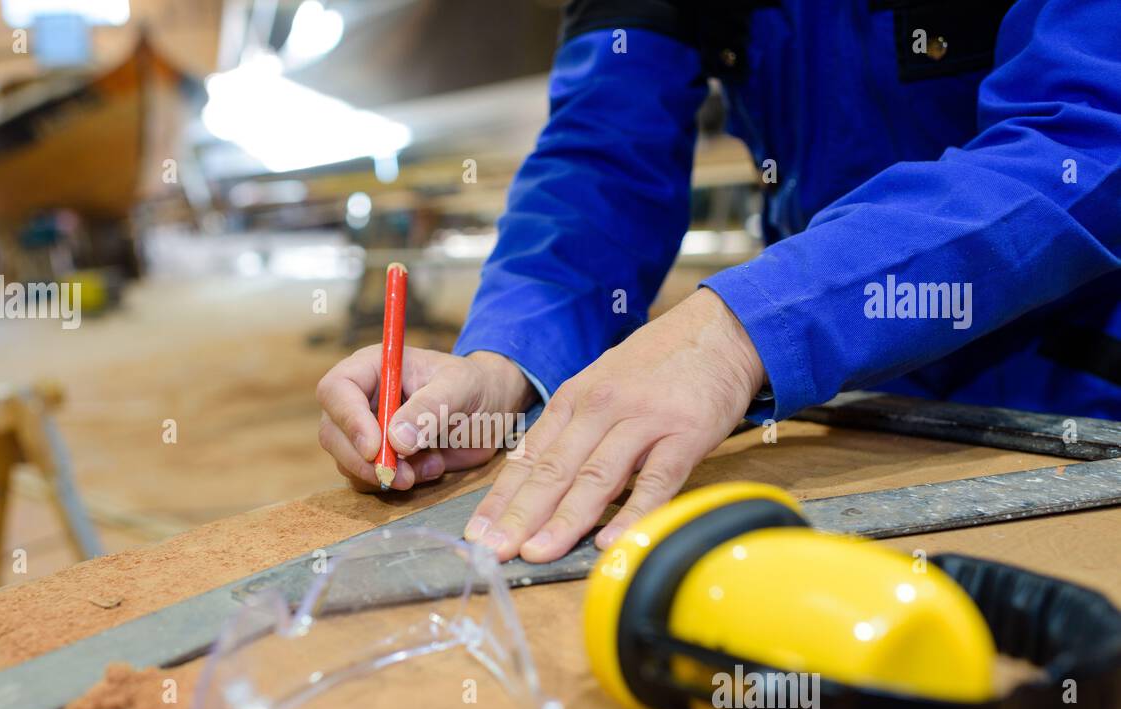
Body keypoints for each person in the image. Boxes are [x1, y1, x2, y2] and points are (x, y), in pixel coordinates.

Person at [316, 0, 1120, 564]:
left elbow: (1084, 142)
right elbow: (601, 156)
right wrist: (504, 360)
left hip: (1078, 418)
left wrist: (743, 330)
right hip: (839, 420)